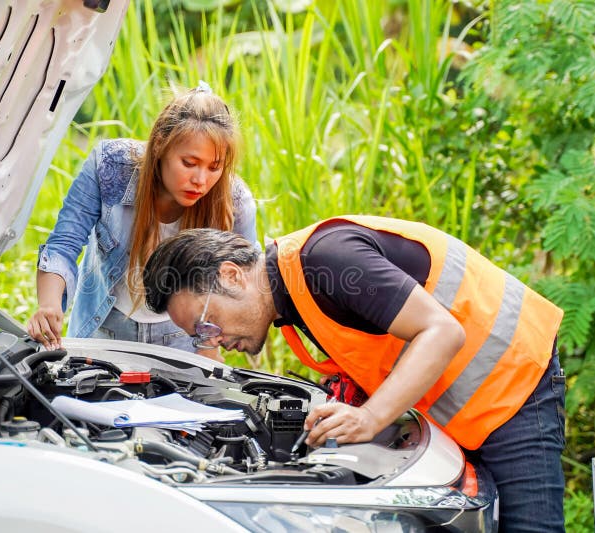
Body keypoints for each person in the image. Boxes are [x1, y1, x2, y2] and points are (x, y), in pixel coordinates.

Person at [141, 216, 566, 532]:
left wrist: (371, 418)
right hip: (470, 408)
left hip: (515, 385)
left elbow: (442, 331)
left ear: (231, 275)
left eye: (207, 323)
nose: (213, 340)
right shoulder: (296, 295)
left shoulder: (327, 259)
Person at [27, 83, 257, 359]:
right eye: (189, 163)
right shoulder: (109, 168)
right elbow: (64, 244)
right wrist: (50, 306)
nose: (201, 180)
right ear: (160, 144)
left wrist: (208, 342)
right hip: (104, 329)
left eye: (214, 167)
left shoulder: (234, 200)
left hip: (183, 340)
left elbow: (245, 287)